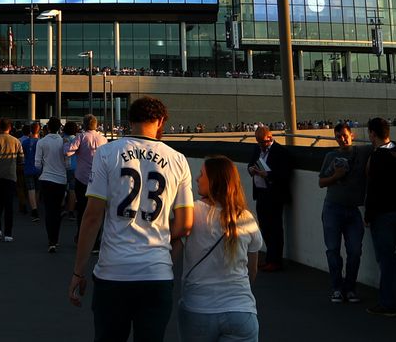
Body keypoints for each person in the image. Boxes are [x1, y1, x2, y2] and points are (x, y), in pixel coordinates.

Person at [68, 96, 193, 342]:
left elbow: (92, 217)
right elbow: (185, 224)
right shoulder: (178, 160)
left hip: (113, 272)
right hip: (156, 273)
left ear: (130, 121)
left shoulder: (107, 153)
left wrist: (78, 272)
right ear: (160, 121)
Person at [178, 156, 264, 341]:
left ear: (213, 181)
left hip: (199, 308)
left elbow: (173, 241)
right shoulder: (246, 218)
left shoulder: (192, 213)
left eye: (201, 174)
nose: (197, 178)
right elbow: (252, 269)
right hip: (241, 311)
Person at [363, 117, 396, 317]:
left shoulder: (378, 157)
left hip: (384, 214)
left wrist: (368, 215)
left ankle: (389, 302)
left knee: (385, 258)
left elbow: (374, 190)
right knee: (389, 255)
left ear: (373, 134)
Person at [318, 121, 369, 302]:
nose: (342, 139)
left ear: (352, 135)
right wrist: (335, 176)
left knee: (355, 251)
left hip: (352, 209)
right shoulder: (331, 156)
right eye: (338, 137)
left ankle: (350, 287)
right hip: (333, 208)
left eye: (345, 136)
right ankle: (337, 288)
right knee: (333, 249)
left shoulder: (362, 152)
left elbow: (381, 147)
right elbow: (321, 182)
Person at [246, 125, 292, 271]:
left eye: (263, 142)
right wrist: (251, 170)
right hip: (261, 193)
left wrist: (267, 175)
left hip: (274, 194)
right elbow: (250, 164)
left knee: (275, 228)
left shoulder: (280, 152)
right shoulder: (257, 149)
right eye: (258, 141)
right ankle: (270, 258)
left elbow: (284, 174)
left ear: (270, 138)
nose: (261, 145)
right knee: (265, 226)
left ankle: (275, 260)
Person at [35, 118, 75, 253]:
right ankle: (55, 238)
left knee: (49, 210)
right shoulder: (64, 142)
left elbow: (37, 164)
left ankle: (50, 239)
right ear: (59, 128)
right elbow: (68, 164)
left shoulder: (41, 142)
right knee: (57, 210)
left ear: (47, 128)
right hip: (60, 180)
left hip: (46, 178)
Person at [72, 115, 108, 244]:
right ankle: (96, 240)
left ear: (84, 124)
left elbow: (68, 151)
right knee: (97, 210)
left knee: (82, 209)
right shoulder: (103, 139)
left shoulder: (81, 137)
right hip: (99, 178)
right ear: (96, 125)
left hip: (82, 177)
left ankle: (81, 236)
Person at [21, 121, 41, 220]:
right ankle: (36, 206)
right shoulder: (41, 142)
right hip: (39, 168)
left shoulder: (25, 142)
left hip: (28, 167)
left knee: (31, 189)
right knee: (37, 189)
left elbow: (23, 155)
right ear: (39, 130)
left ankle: (34, 209)